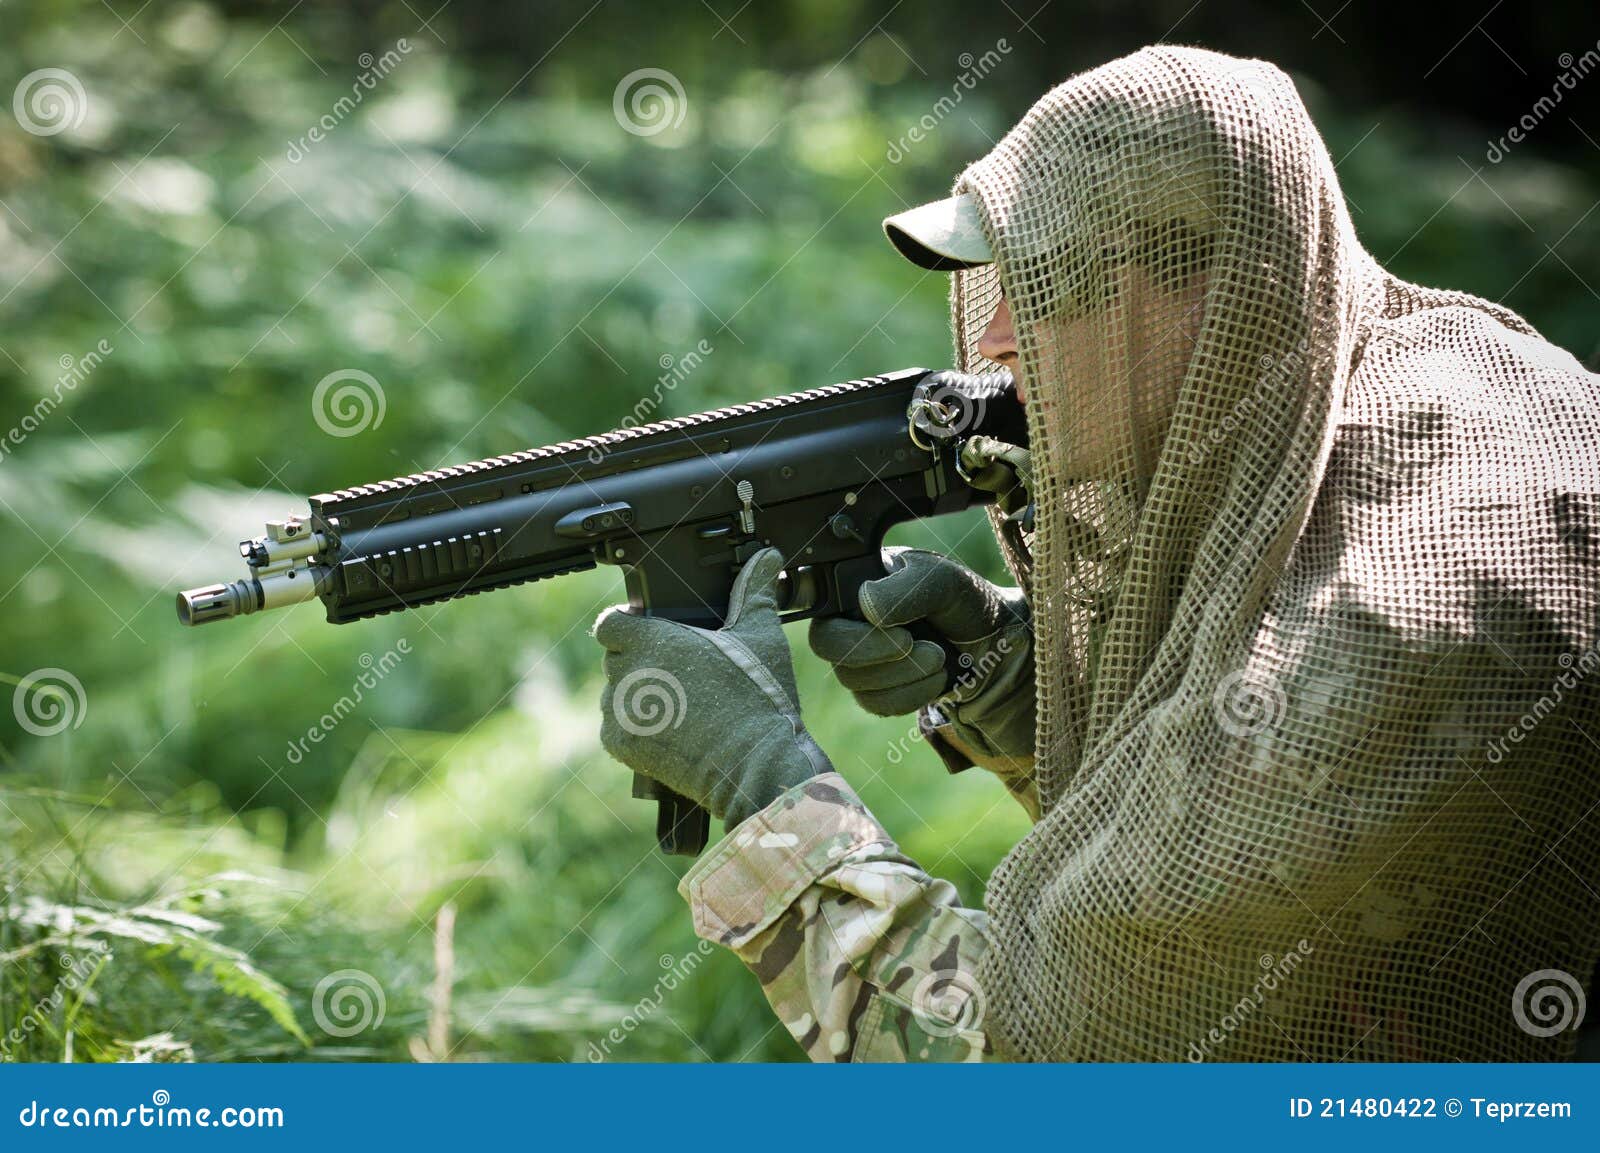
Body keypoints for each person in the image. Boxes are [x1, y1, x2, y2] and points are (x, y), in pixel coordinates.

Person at [594, 45, 1600, 1061]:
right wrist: (1023, 692)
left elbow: (1021, 1073)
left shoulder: (1377, 637)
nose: (989, 337)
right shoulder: (1441, 383)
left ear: (1224, 276)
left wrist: (759, 779)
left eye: (1055, 283)